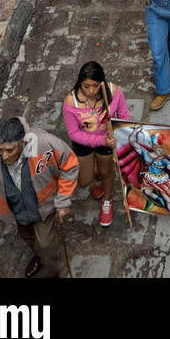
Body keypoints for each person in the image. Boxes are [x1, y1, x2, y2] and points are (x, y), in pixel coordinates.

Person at [0, 115, 78, 279]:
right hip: (16, 213)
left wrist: (63, 200)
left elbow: (70, 165)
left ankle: (52, 271)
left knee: (46, 244)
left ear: (22, 143)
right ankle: (41, 257)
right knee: (29, 238)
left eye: (10, 150)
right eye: (1, 150)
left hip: (43, 209)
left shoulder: (45, 144)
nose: (4, 156)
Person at [62, 61, 130, 229]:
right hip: (84, 144)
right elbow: (74, 133)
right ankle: (99, 181)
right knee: (85, 181)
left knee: (106, 171)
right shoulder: (71, 102)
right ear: (80, 83)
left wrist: (118, 134)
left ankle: (107, 200)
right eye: (86, 87)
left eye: (95, 86)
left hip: (108, 141)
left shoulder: (114, 92)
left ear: (102, 82)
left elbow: (124, 115)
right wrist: (100, 140)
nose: (91, 91)